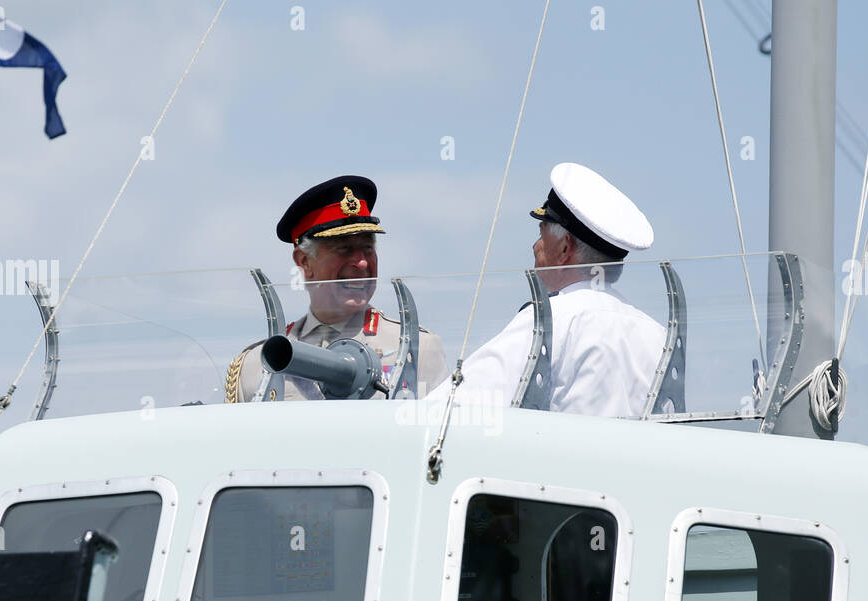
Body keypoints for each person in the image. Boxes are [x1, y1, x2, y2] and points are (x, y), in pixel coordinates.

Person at [434, 162, 667, 417]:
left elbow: (452, 405)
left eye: (541, 234)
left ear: (565, 248)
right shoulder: (658, 336)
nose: (535, 247)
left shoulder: (549, 321)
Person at [225, 175, 448, 402]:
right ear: (304, 261)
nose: (361, 262)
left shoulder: (415, 351)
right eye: (344, 249)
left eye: (367, 248)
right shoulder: (258, 363)